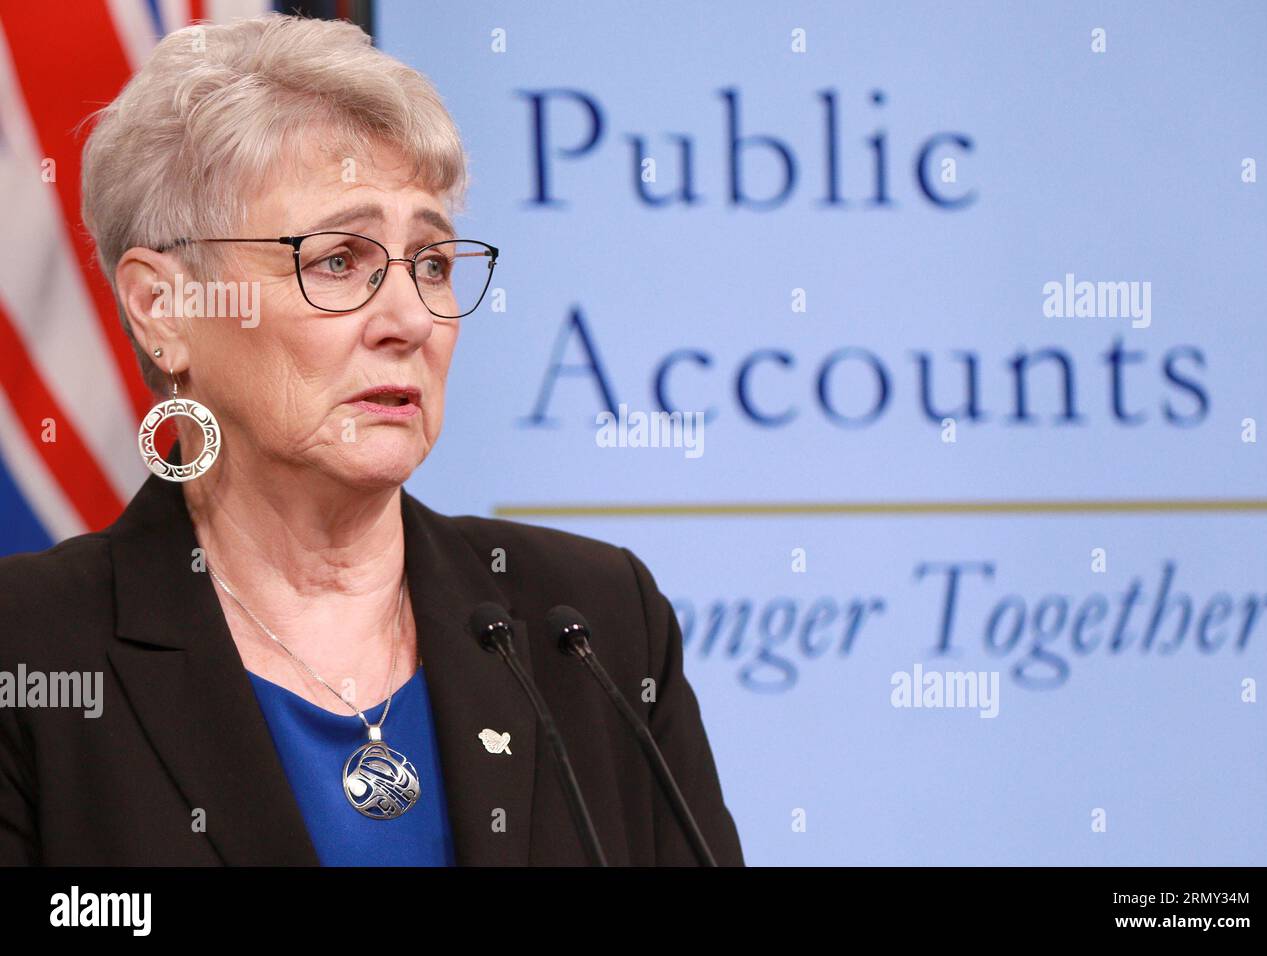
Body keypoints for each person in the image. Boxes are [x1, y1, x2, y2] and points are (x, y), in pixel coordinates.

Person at [0, 13, 742, 866]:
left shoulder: (593, 625)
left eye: (431, 263)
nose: (411, 319)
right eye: (339, 261)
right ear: (165, 308)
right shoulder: (35, 651)